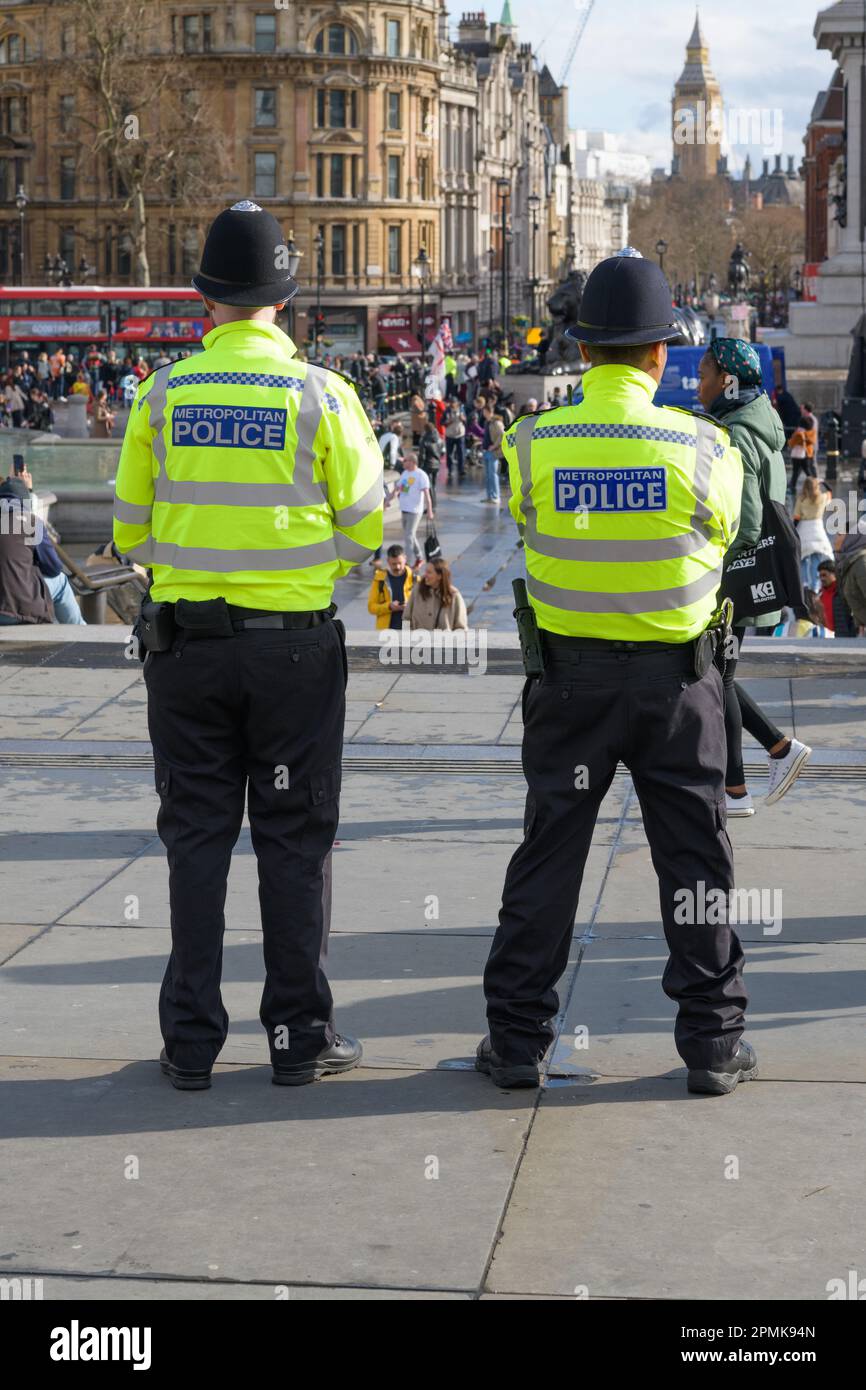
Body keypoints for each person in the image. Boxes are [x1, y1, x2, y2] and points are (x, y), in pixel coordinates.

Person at [113, 200, 383, 1091]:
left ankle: (190, 1042)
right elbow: (364, 533)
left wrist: (198, 572)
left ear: (207, 299)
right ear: (286, 298)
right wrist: (296, 576)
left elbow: (131, 537)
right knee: (294, 840)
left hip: (186, 651)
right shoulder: (324, 396)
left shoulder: (162, 394)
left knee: (195, 838)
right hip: (294, 652)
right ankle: (299, 1036)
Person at [478, 253, 757, 1098]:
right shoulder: (706, 447)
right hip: (679, 688)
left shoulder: (530, 443)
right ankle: (711, 1044)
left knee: (549, 856)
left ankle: (519, 1040)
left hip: (569, 686)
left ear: (586, 348)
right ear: (659, 353)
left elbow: (529, 523)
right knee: (696, 860)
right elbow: (728, 538)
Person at [698, 338, 811, 818]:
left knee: (715, 674)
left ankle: (740, 787)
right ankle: (775, 754)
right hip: (755, 574)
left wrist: (708, 559)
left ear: (727, 380)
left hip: (736, 576)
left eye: (704, 373)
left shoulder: (738, 433)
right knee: (717, 672)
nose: (698, 383)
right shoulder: (757, 421)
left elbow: (743, 519)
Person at [394, 450, 433, 569]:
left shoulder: (421, 475)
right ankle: (420, 557)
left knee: (408, 536)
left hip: (415, 511)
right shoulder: (405, 473)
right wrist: (387, 500)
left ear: (412, 462)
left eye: (405, 460)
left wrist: (430, 510)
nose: (403, 462)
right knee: (410, 535)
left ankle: (407, 563)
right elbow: (397, 488)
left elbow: (427, 494)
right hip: (404, 509)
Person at [404, 557, 468, 630]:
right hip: (417, 640)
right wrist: (406, 638)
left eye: (429, 572)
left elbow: (461, 627)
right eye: (426, 572)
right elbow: (406, 618)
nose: (425, 575)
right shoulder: (417, 591)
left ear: (439, 576)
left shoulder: (454, 595)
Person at [794, 477, 833, 592]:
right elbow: (830, 492)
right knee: (816, 558)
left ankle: (804, 586)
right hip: (818, 531)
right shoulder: (821, 498)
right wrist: (823, 481)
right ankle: (815, 588)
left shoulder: (801, 499)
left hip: (804, 532)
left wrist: (792, 531)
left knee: (803, 560)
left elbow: (796, 518)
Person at [368, 544, 414, 630]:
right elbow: (371, 607)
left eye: (400, 563)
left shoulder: (414, 579)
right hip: (386, 634)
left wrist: (410, 607)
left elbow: (426, 608)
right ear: (388, 561)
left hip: (410, 632)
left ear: (405, 559)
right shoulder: (379, 580)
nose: (397, 567)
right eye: (394, 564)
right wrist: (389, 607)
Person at [481, 403, 504, 504]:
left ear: (489, 412)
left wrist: (494, 446)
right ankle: (489, 496)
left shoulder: (496, 423)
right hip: (486, 451)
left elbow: (503, 434)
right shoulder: (488, 422)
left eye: (485, 412)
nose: (484, 414)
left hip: (493, 452)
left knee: (493, 475)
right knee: (487, 475)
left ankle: (496, 496)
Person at [444, 404, 466, 484]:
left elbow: (466, 420)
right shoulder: (447, 411)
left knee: (461, 453)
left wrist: (463, 419)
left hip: (460, 434)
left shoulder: (462, 409)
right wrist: (448, 421)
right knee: (449, 454)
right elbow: (442, 422)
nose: (454, 406)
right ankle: (450, 470)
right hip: (450, 434)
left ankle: (461, 470)